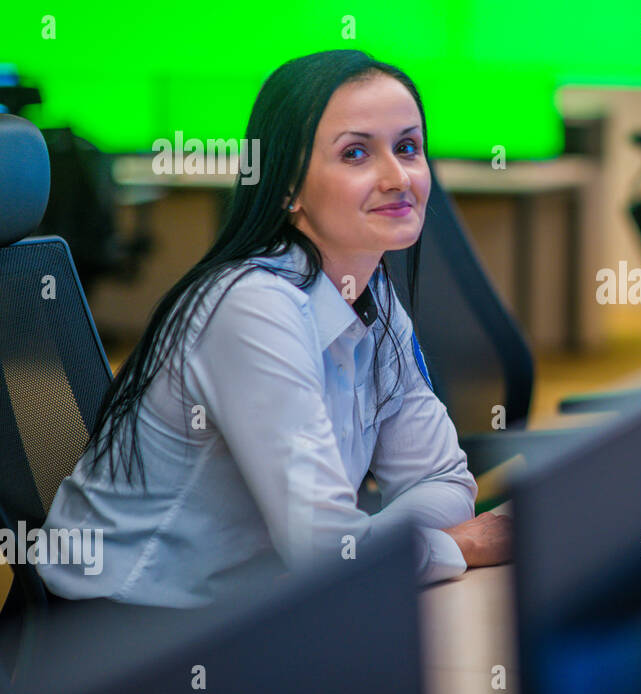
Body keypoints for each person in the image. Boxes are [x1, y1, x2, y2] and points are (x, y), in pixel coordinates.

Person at [37, 50, 510, 609]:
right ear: (288, 188)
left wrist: (380, 549)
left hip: (251, 609)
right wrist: (455, 547)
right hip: (121, 633)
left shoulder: (370, 291)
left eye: (408, 147)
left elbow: (445, 486)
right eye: (357, 153)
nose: (397, 176)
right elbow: (330, 555)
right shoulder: (251, 307)